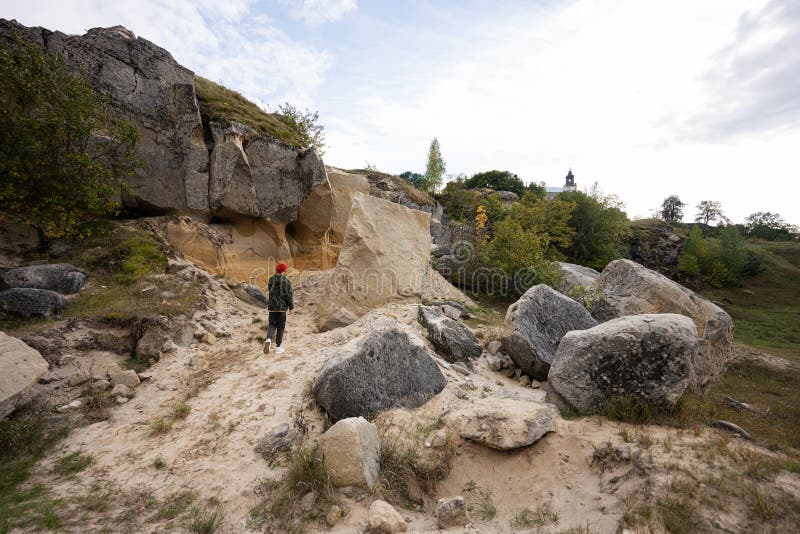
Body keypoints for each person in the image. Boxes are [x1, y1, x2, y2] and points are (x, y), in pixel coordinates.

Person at [263, 262, 294, 355]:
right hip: (281, 308)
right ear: (283, 271)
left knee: (272, 325)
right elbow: (288, 295)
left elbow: (270, 291)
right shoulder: (286, 281)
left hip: (272, 307)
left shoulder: (271, 280)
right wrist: (291, 307)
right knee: (281, 327)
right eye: (285, 270)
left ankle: (268, 339)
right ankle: (278, 347)